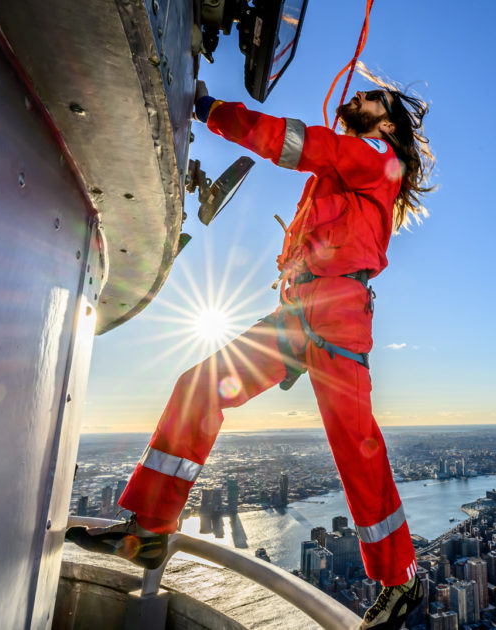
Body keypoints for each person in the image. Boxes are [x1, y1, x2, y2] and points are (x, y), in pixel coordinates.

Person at [67, 80, 434, 630]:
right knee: (201, 384)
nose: (357, 97)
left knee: (354, 443)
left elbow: (293, 142)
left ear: (387, 125)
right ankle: (150, 528)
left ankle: (401, 579)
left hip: (337, 313)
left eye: (371, 98)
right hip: (299, 312)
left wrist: (212, 110)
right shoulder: (343, 173)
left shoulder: (375, 156)